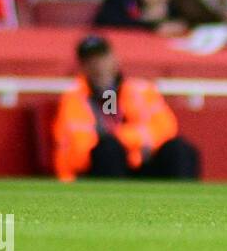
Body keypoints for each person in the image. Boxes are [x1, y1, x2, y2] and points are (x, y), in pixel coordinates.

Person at [52, 34, 200, 181]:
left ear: (115, 58)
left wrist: (123, 139)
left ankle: (184, 202)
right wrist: (119, 141)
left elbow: (166, 130)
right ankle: (114, 202)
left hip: (143, 160)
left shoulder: (141, 90)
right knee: (109, 150)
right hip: (103, 168)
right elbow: (80, 149)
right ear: (82, 67)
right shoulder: (74, 98)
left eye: (102, 58)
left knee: (179, 149)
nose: (98, 65)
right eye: (90, 61)